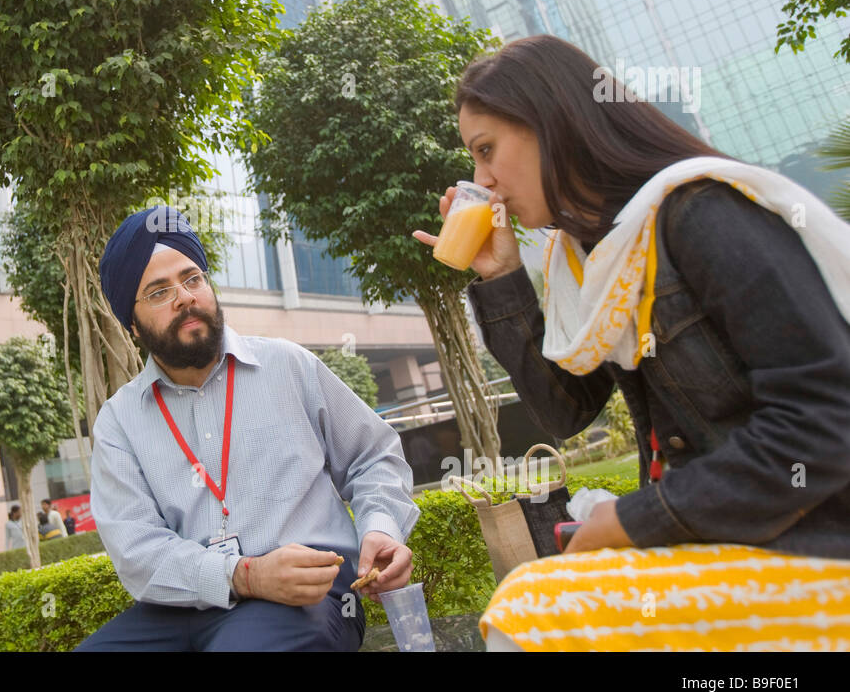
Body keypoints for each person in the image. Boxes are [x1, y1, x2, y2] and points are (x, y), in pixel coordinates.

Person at [412, 34, 850, 651]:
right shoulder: (591, 256)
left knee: (527, 612)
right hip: (732, 543)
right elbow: (566, 411)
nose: (481, 180)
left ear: (553, 120)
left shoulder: (700, 211)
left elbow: (828, 420)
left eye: (487, 151)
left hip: (820, 539)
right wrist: (503, 277)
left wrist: (631, 519)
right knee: (534, 602)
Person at [74, 205, 418, 651]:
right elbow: (137, 548)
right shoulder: (119, 421)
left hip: (306, 597)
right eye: (159, 292)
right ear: (133, 327)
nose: (184, 297)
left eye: (192, 278)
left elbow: (373, 456)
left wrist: (381, 527)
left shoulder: (287, 365)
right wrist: (244, 576)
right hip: (181, 610)